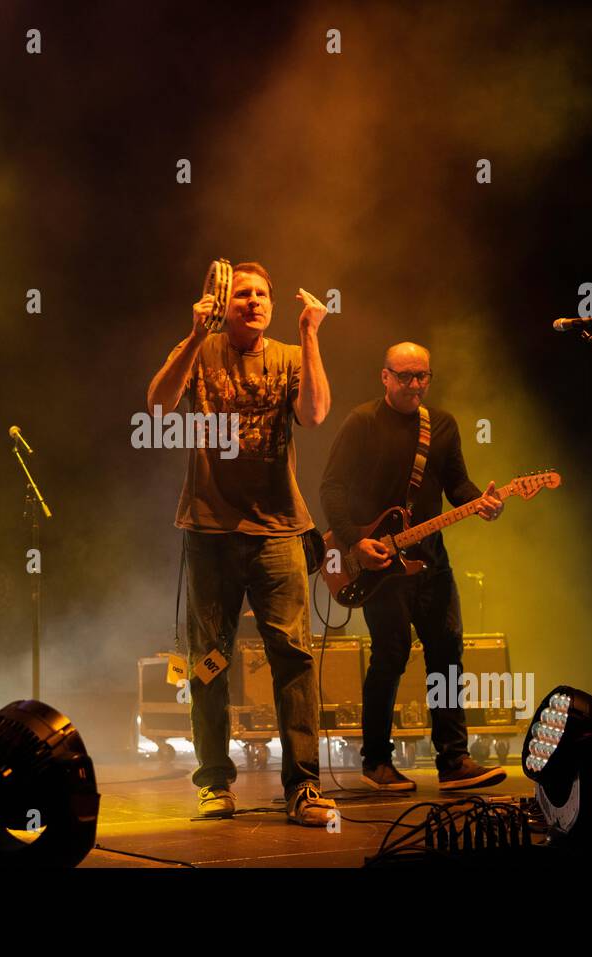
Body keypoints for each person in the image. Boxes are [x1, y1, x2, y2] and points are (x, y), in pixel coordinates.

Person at [146, 263, 337, 825]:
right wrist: (192, 335)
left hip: (279, 529)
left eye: (262, 295)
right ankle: (213, 782)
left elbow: (316, 413)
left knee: (293, 657)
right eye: (243, 295)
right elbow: (157, 406)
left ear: (272, 305)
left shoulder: (285, 355)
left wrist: (310, 334)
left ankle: (302, 786)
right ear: (224, 303)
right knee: (209, 662)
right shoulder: (202, 351)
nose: (253, 302)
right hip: (210, 529)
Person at [320, 342, 508, 791]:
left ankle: (454, 760)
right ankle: (376, 762)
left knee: (447, 655)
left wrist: (482, 501)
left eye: (422, 376)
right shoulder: (362, 422)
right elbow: (332, 487)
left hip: (431, 558)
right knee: (391, 655)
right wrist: (355, 542)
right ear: (384, 377)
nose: (414, 385)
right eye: (404, 376)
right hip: (378, 562)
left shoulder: (441, 425)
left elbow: (457, 483)